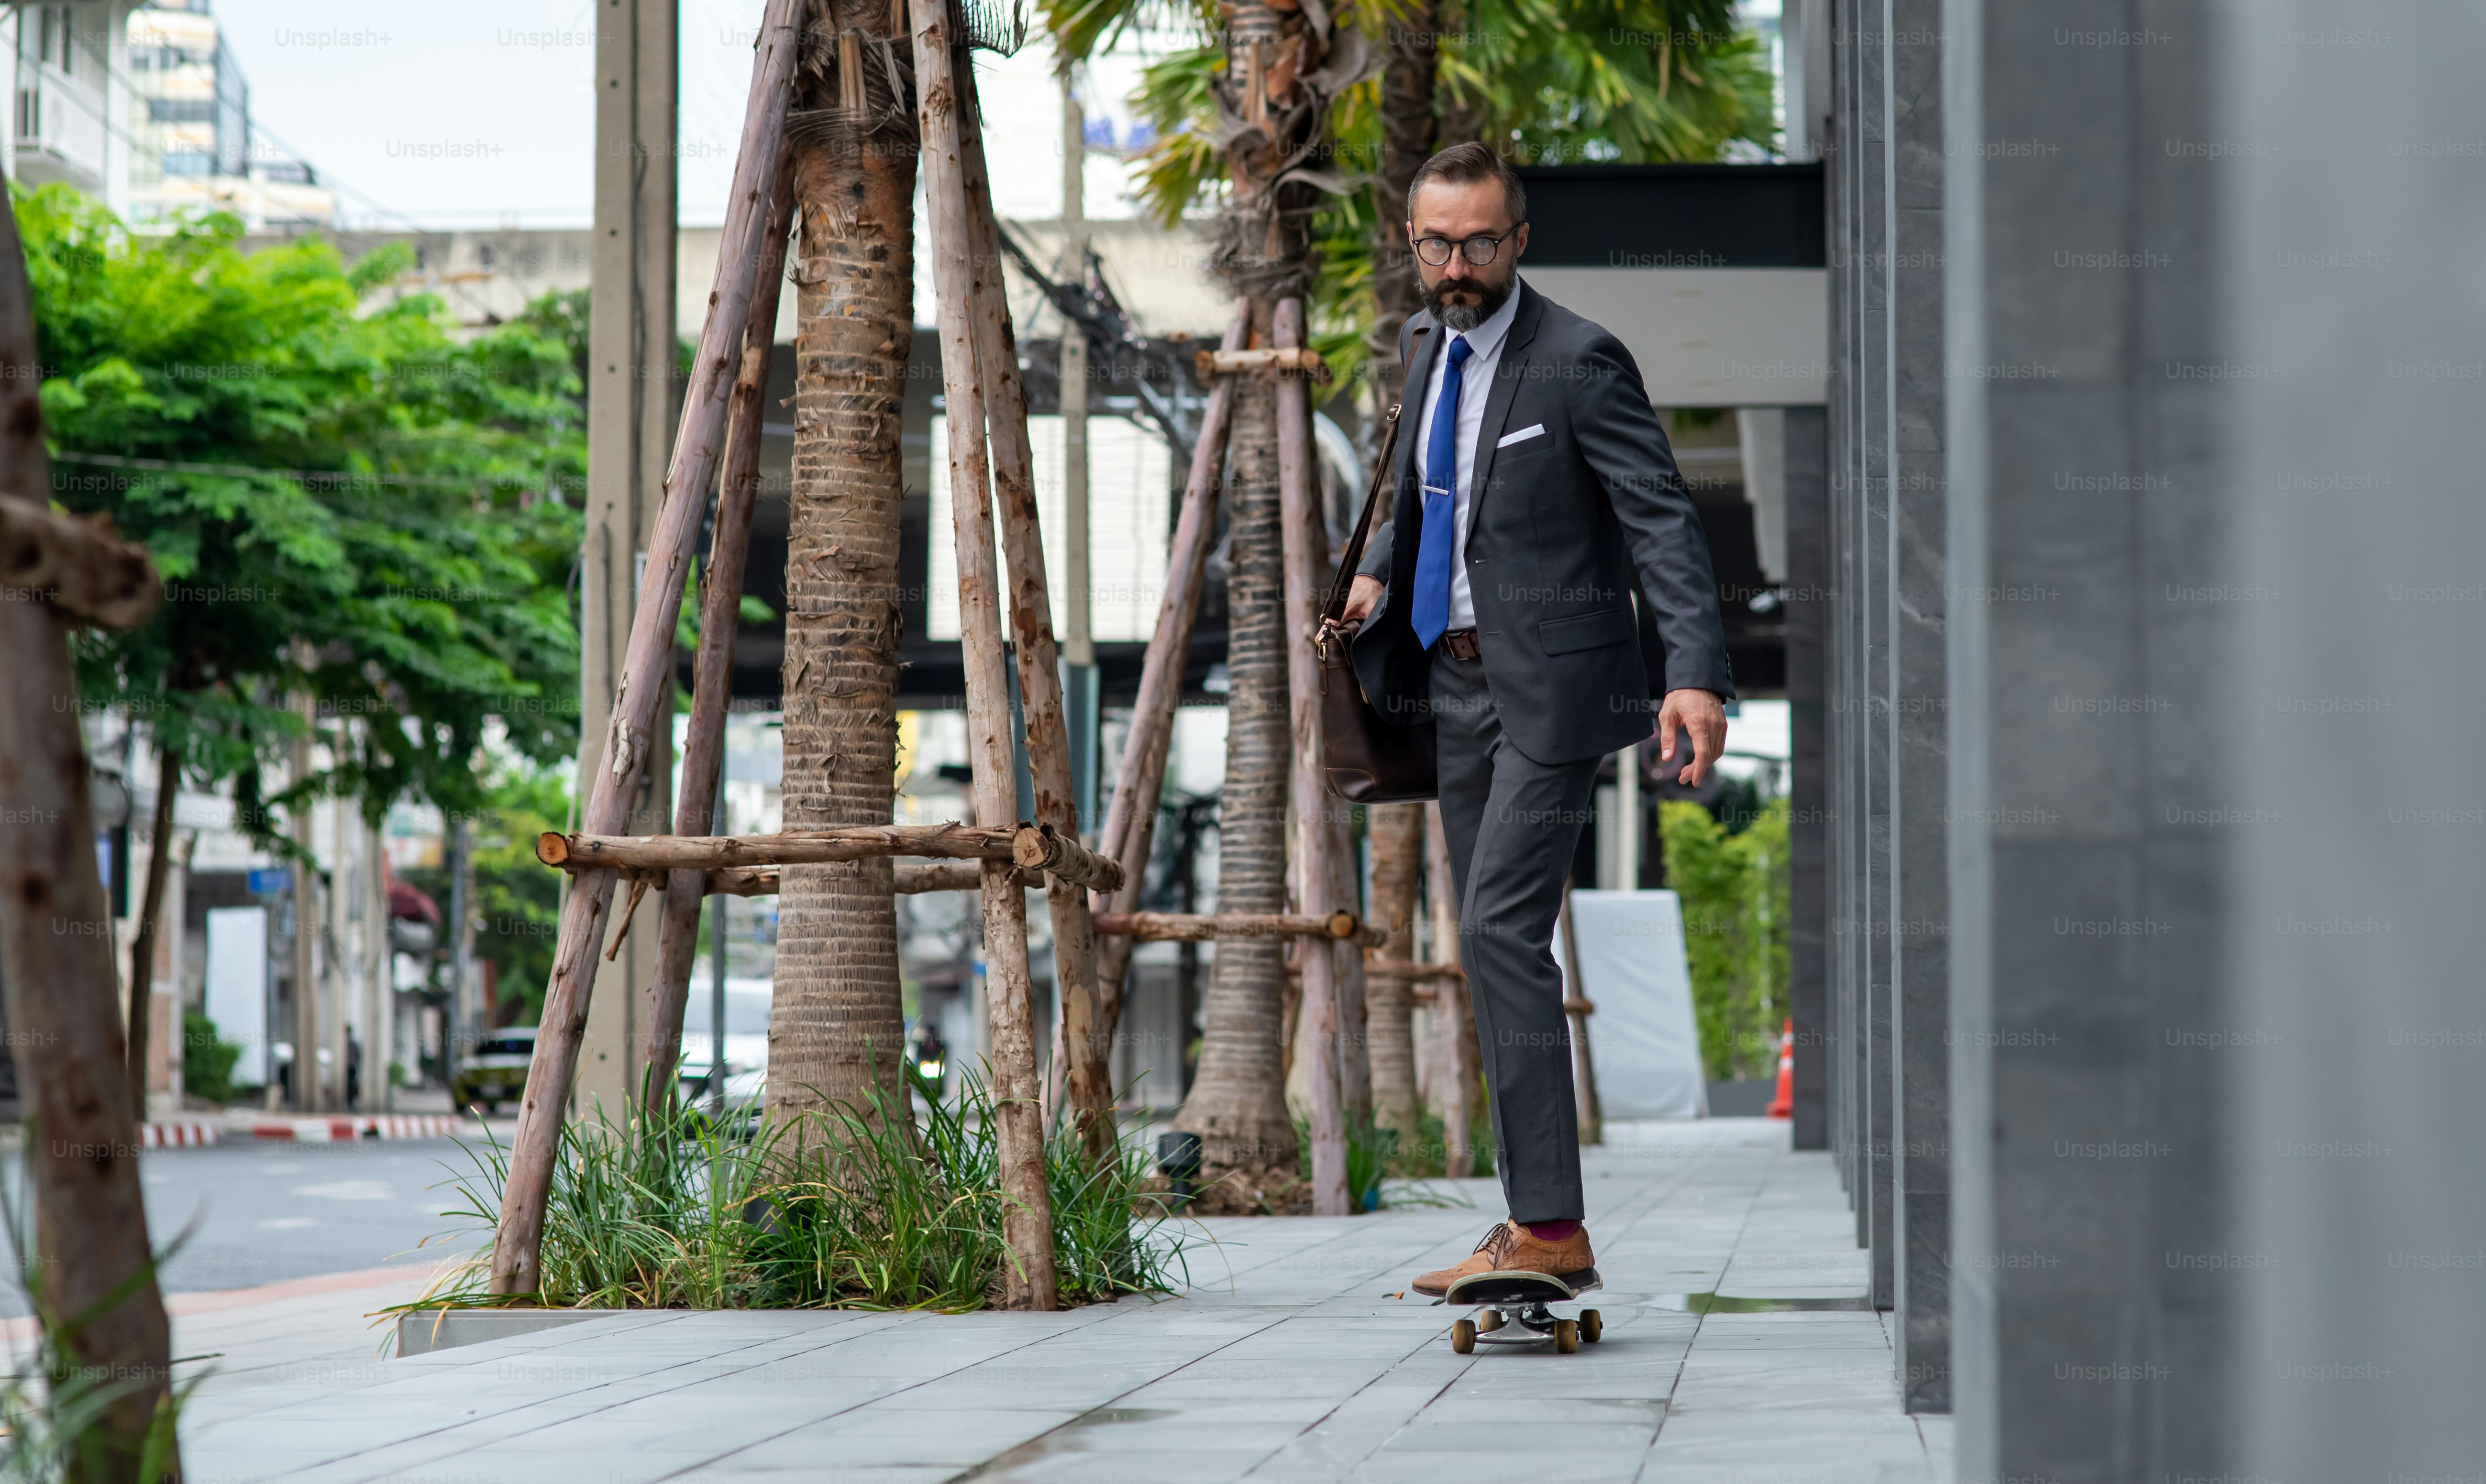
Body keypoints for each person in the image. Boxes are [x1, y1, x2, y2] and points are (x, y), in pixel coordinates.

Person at [1339, 142, 1733, 1295]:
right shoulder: (1423, 346)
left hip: (1559, 691)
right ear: (1412, 242)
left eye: (1476, 242)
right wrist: (1372, 567)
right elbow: (1419, 487)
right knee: (1490, 937)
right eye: (1432, 242)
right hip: (1449, 684)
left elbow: (1661, 520)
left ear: (1519, 240)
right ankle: (1529, 1218)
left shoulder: (1578, 359)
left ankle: (1550, 1225)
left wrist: (1692, 673)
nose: (1453, 264)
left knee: (1503, 931)